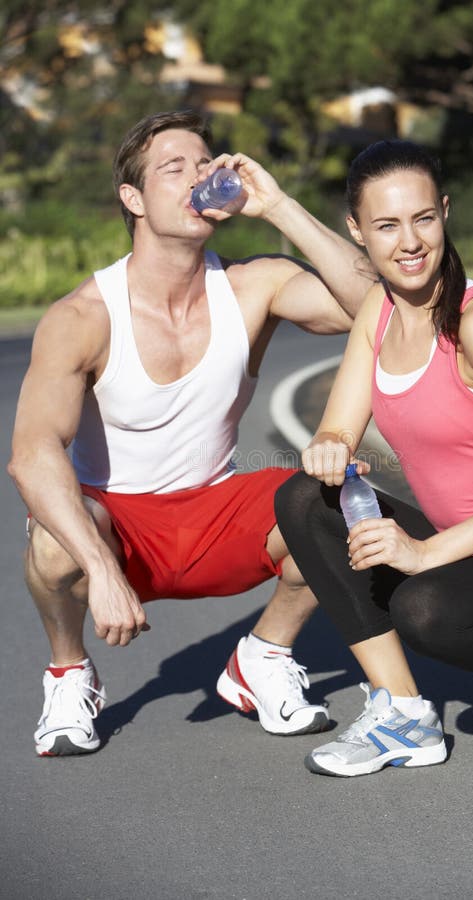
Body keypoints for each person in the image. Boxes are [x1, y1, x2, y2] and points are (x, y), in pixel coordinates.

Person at [8, 108, 375, 757]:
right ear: (133, 198)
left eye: (204, 165)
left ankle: (261, 658)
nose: (197, 178)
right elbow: (32, 456)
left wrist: (281, 206)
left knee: (337, 502)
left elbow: (372, 303)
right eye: (173, 168)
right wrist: (103, 567)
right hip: (116, 526)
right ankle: (69, 673)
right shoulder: (83, 316)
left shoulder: (251, 287)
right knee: (52, 537)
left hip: (214, 513)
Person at [275, 139, 473, 777]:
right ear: (357, 231)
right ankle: (402, 713)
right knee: (305, 499)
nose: (410, 241)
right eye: (387, 225)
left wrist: (423, 554)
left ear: (445, 212)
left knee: (424, 606)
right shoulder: (377, 309)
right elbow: (339, 427)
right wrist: (329, 447)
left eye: (423, 218)